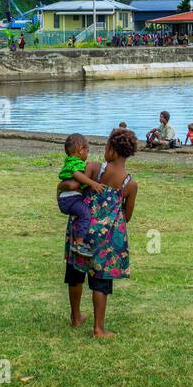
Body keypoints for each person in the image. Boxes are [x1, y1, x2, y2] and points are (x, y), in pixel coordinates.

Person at [65, 127, 139, 338]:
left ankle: (76, 316)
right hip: (104, 238)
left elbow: (72, 187)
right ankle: (98, 328)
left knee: (75, 272)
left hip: (81, 229)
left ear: (112, 152)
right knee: (101, 279)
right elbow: (127, 215)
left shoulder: (94, 168)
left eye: (106, 146)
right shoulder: (130, 184)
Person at [56, 133, 104, 257]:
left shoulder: (70, 161)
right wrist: (92, 183)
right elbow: (77, 175)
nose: (87, 154)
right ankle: (79, 244)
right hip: (70, 198)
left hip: (66, 198)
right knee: (85, 214)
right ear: (81, 150)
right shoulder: (76, 163)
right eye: (87, 151)